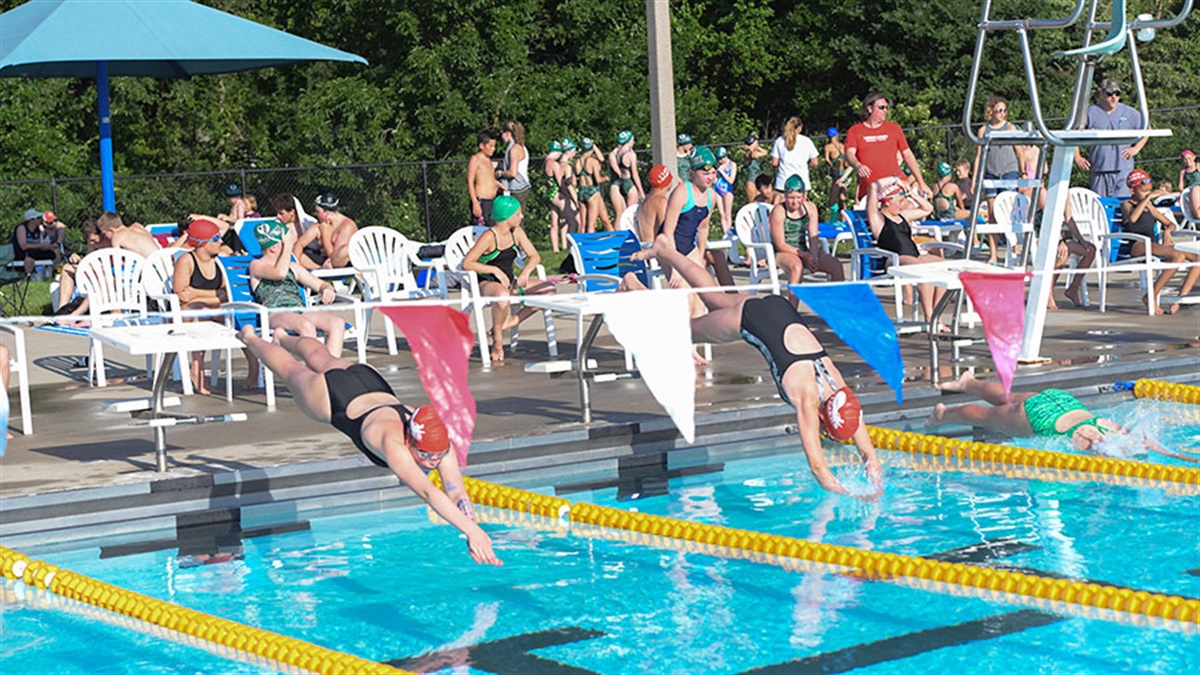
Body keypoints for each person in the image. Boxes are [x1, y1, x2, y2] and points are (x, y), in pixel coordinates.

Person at [626, 234, 882, 497]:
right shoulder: (808, 401)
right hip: (748, 319)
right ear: (823, 419)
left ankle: (665, 249)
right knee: (682, 331)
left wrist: (877, 487)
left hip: (778, 308)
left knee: (713, 298)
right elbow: (818, 468)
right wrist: (854, 495)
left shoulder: (841, 393)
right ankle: (635, 286)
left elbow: (869, 455)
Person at [236, 326, 501, 565]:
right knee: (292, 371)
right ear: (409, 440)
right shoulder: (392, 443)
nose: (434, 462)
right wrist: (471, 530)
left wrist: (473, 530)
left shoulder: (438, 440)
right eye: (426, 455)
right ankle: (249, 336)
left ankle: (283, 336)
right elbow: (429, 492)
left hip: (368, 380)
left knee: (320, 356)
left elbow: (456, 492)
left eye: (438, 456)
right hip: (334, 398)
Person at [927, 371, 1194, 461]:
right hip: (1040, 419)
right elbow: (1106, 454)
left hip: (1060, 401)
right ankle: (943, 414)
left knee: (1009, 397)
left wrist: (1186, 458)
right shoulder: (1099, 445)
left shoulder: (1116, 429)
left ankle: (968, 382)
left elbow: (1155, 446)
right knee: (987, 416)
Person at [247, 220, 350, 385]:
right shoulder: (257, 265)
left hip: (299, 311)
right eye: (284, 242)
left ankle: (330, 373)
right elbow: (279, 273)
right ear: (274, 247)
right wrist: (288, 246)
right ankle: (314, 379)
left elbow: (319, 283)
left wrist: (327, 288)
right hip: (275, 313)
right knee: (305, 325)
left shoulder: (293, 267)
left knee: (337, 323)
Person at [461, 196, 557, 363]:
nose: (522, 216)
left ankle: (508, 323)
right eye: (518, 214)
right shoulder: (489, 237)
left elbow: (535, 256)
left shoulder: (517, 233)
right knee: (502, 296)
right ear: (506, 216)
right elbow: (467, 263)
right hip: (487, 284)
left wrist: (526, 272)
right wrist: (494, 270)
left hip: (509, 283)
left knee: (548, 290)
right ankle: (497, 341)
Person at [866, 176, 945, 327]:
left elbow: (928, 209)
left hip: (914, 257)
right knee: (922, 269)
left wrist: (911, 194)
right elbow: (873, 187)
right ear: (887, 202)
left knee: (944, 267)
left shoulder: (903, 216)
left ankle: (936, 315)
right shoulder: (878, 219)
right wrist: (894, 179)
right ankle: (929, 316)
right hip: (893, 259)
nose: (903, 205)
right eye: (900, 201)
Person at [1121, 169, 1200, 315]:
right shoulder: (1127, 204)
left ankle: (1179, 299)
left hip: (1152, 245)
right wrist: (1148, 199)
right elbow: (1132, 218)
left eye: (1149, 190)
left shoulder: (1149, 207)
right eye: (1144, 191)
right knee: (1178, 257)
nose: (1147, 194)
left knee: (1197, 259)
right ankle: (1150, 296)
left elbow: (1171, 224)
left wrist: (1167, 232)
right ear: (1132, 190)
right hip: (1137, 245)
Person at [659, 146, 734, 289]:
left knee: (706, 290)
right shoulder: (682, 192)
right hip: (667, 248)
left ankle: (735, 300)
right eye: (705, 174)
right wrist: (675, 266)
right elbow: (667, 232)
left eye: (713, 173)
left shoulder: (711, 195)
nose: (711, 178)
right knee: (686, 292)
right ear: (693, 172)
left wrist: (700, 255)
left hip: (688, 247)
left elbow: (703, 228)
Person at [172, 218, 229, 394]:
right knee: (201, 312)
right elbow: (181, 296)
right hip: (187, 312)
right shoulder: (186, 260)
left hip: (211, 308)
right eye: (216, 238)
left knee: (238, 318)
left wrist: (197, 293)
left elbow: (226, 294)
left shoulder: (221, 259)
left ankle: (254, 370)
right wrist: (214, 296)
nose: (221, 241)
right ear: (202, 243)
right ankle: (197, 371)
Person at [973, 96, 1027, 264]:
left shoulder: (1010, 127)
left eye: (1004, 110)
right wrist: (975, 178)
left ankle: (1015, 249)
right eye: (999, 110)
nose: (1002, 114)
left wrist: (1023, 171)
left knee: (1010, 212)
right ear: (991, 112)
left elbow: (1019, 150)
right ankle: (993, 254)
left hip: (1009, 171)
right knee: (992, 214)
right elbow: (979, 156)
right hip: (991, 172)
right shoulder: (984, 130)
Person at [846, 93, 929, 203]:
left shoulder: (894, 129)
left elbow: (908, 155)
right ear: (869, 108)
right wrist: (858, 165)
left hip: (895, 187)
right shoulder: (855, 131)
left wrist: (922, 183)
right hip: (870, 191)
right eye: (881, 107)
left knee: (906, 207)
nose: (885, 110)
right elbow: (849, 154)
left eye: (886, 107)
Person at [1074, 78, 1149, 199]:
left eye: (1117, 94)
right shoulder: (1089, 113)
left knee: (1123, 204)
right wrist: (1077, 157)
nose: (1113, 97)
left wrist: (1136, 148)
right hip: (1099, 168)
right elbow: (1073, 133)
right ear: (1101, 94)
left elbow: (1147, 129)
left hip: (1124, 169)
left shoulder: (1130, 112)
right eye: (1109, 94)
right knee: (1100, 204)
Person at [769, 175, 845, 292]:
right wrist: (805, 255)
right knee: (797, 267)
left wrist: (814, 256)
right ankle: (792, 304)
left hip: (803, 251)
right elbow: (780, 244)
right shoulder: (779, 211)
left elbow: (813, 236)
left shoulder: (810, 208)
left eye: (798, 197)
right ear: (785, 196)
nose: (794, 202)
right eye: (791, 198)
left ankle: (836, 301)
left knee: (836, 265)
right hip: (782, 253)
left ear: (804, 196)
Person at [296, 193, 357, 270]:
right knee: (298, 254)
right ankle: (320, 269)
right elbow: (299, 244)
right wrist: (296, 263)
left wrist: (324, 233)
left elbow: (334, 257)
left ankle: (324, 270)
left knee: (343, 251)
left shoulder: (346, 226)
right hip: (325, 262)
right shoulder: (320, 225)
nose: (316, 215)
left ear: (326, 213)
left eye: (318, 212)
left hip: (342, 264)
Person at [771, 117, 819, 204]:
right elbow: (814, 162)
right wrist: (807, 166)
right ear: (799, 128)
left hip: (783, 181)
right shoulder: (807, 141)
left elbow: (774, 162)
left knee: (781, 208)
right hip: (802, 180)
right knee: (801, 207)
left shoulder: (779, 141)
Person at [608, 130, 643, 222]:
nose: (633, 142)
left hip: (616, 183)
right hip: (628, 183)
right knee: (631, 215)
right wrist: (641, 191)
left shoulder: (613, 154)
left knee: (619, 215)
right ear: (628, 141)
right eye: (632, 140)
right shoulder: (631, 155)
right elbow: (635, 175)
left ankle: (619, 231)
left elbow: (617, 171)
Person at [12, 209, 60, 276]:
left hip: (36, 252)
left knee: (55, 251)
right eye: (38, 218)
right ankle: (28, 276)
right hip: (23, 254)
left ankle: (56, 273)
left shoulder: (38, 230)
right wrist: (40, 245)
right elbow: (23, 246)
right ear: (31, 220)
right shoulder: (21, 228)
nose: (39, 220)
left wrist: (50, 246)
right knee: (29, 258)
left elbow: (41, 243)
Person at [467, 130, 500, 228]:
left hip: (491, 201)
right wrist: (475, 203)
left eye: (494, 146)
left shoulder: (489, 161)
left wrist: (500, 186)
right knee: (480, 231)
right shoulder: (476, 159)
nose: (493, 149)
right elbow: (470, 181)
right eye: (491, 146)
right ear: (482, 146)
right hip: (481, 201)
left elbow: (489, 179)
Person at [575, 138, 608, 234]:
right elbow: (598, 180)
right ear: (591, 148)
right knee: (591, 224)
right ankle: (590, 243)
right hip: (592, 192)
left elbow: (573, 181)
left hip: (581, 191)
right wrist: (605, 178)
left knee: (582, 225)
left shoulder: (577, 162)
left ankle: (580, 242)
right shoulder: (593, 162)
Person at [495, 121, 531, 209]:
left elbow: (513, 173)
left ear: (507, 133)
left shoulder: (514, 149)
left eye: (502, 133)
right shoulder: (520, 146)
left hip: (517, 188)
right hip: (520, 187)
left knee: (514, 215)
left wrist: (500, 173)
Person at [96, 211, 160, 257]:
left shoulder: (116, 236)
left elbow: (117, 260)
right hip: (161, 259)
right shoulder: (137, 226)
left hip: (150, 265)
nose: (106, 237)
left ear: (111, 230)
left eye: (105, 234)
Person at [637, 164, 673, 244]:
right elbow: (665, 232)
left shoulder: (647, 199)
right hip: (656, 248)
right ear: (667, 182)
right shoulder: (661, 201)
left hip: (645, 246)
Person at [543, 140, 567, 253]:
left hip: (549, 193)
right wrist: (567, 194)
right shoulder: (554, 164)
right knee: (568, 219)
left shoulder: (545, 163)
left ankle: (555, 249)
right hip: (556, 193)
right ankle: (566, 245)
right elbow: (560, 182)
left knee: (554, 222)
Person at [824, 127, 853, 211]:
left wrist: (831, 165)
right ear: (837, 135)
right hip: (843, 171)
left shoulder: (828, 146)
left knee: (834, 193)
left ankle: (834, 212)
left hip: (835, 171)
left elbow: (827, 159)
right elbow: (845, 158)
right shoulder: (841, 146)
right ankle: (844, 212)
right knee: (843, 193)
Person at [713, 147, 738, 234]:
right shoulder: (718, 165)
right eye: (718, 159)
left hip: (727, 190)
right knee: (722, 214)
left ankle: (729, 232)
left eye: (721, 158)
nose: (720, 161)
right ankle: (725, 233)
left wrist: (722, 172)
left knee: (727, 214)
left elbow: (731, 180)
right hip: (717, 189)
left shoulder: (732, 165)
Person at [742, 135, 770, 203]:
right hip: (751, 181)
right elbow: (754, 156)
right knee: (752, 202)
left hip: (759, 180)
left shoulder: (755, 151)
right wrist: (751, 148)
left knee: (762, 201)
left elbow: (765, 152)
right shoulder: (748, 154)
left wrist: (757, 147)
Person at [1178, 150, 1200, 217]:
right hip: (1190, 190)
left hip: (1198, 188)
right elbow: (1180, 187)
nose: (1187, 160)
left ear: (1194, 157)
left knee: (1195, 189)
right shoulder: (1184, 171)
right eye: (1185, 159)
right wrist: (1181, 174)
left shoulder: (1198, 166)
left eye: (1189, 158)